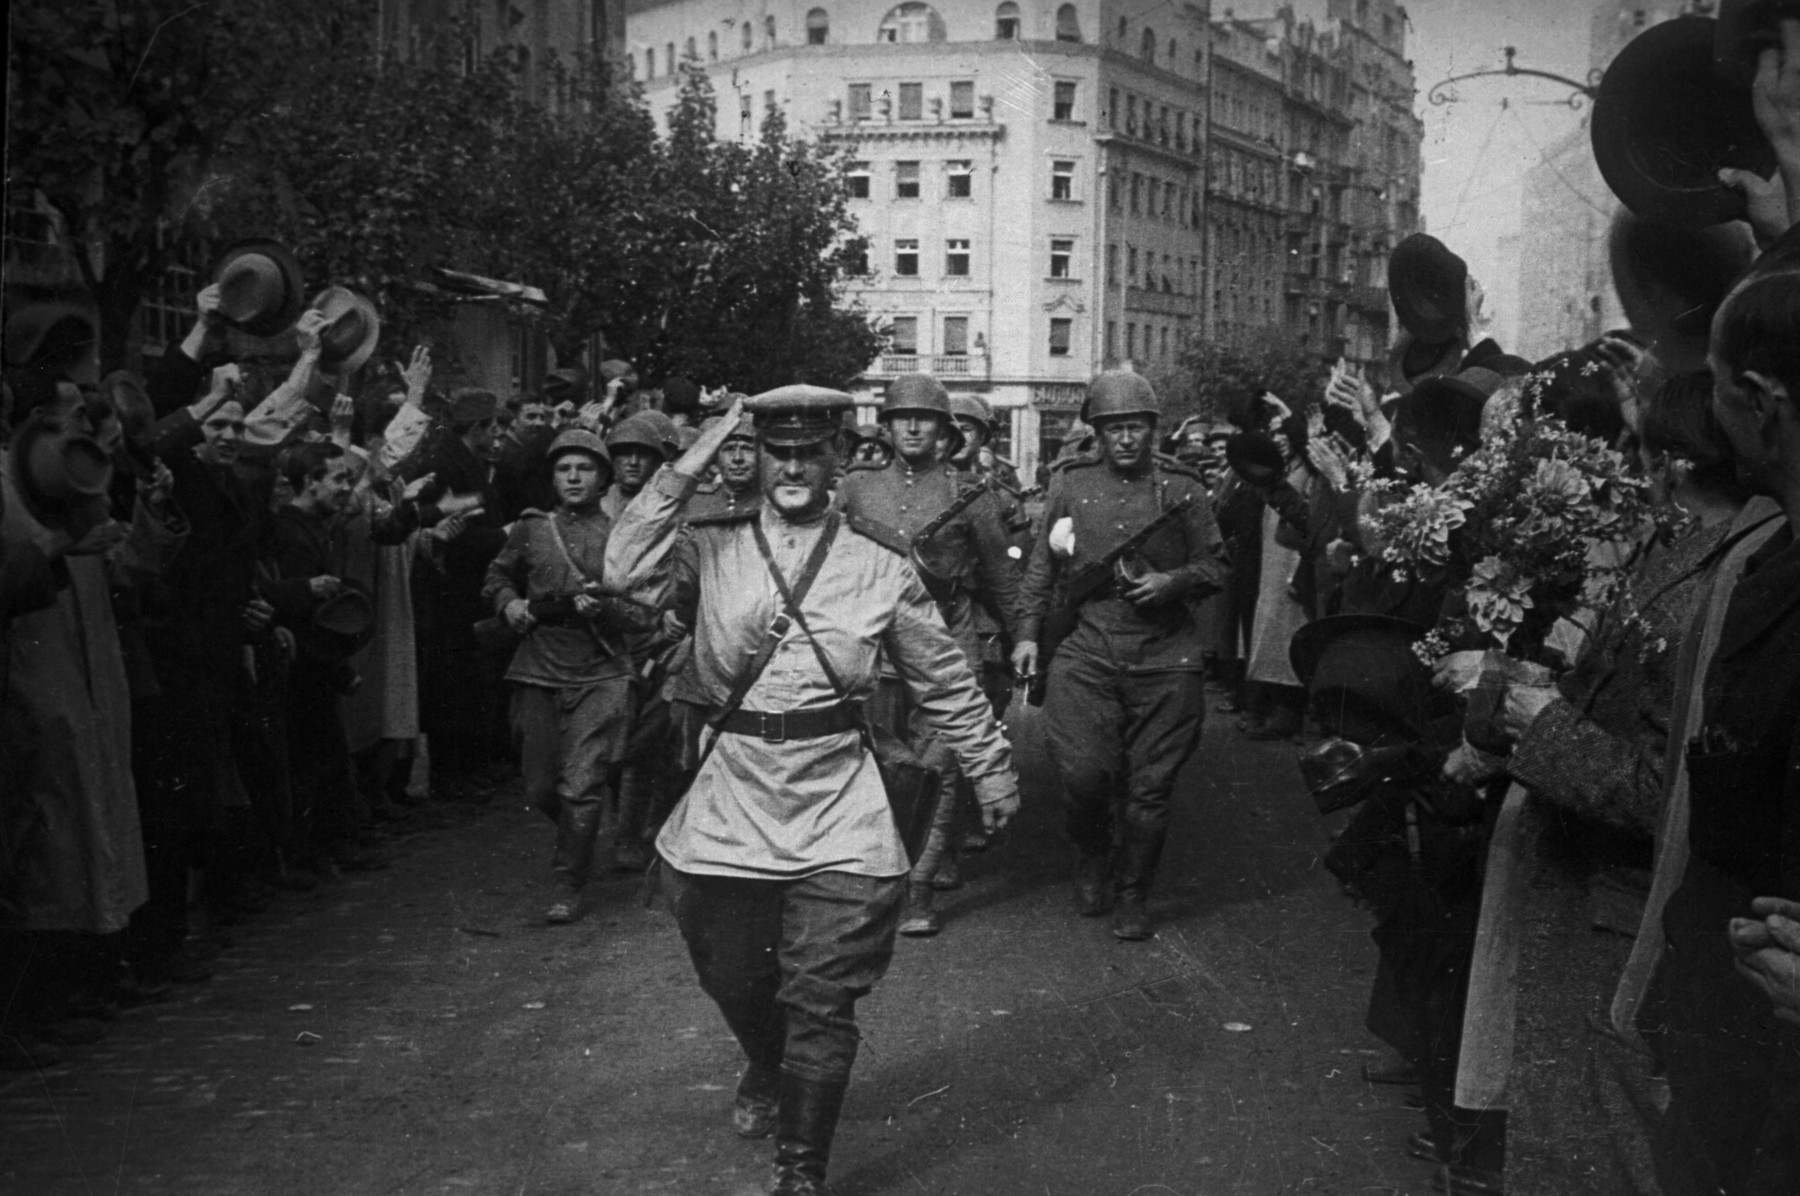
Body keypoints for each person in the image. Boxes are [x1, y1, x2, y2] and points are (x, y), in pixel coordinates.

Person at [605, 389, 1020, 1196]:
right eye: (775, 452)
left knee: (821, 996)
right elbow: (620, 567)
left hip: (838, 795)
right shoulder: (710, 547)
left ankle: (802, 1174)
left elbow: (943, 675)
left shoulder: (878, 560)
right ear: (756, 458)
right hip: (732, 794)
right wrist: (697, 451)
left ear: (839, 461)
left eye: (809, 453)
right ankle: (767, 1060)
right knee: (732, 976)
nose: (792, 467)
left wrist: (990, 765)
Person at [1013, 371, 1225, 940]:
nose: (1125, 440)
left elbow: (1217, 565)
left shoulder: (1183, 489)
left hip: (1166, 655)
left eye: (1135, 428)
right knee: (1084, 775)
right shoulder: (1070, 485)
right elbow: (1039, 570)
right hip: (1089, 648)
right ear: (1098, 435)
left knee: (1150, 789)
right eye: (1113, 430)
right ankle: (1092, 854)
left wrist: (1174, 581)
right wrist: (1029, 635)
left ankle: (1133, 892)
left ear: (1152, 430)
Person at [838, 374, 1023, 936]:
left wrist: (1025, 638)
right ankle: (875, 874)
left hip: (949, 641)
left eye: (925, 418)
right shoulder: (854, 489)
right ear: (887, 427)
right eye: (901, 418)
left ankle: (919, 887)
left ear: (945, 430)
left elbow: (1001, 576)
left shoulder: (970, 494)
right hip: (869, 644)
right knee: (870, 764)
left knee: (941, 768)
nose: (913, 426)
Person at [483, 429, 643, 923]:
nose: (573, 477)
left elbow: (642, 613)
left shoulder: (624, 536)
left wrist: (604, 611)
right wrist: (508, 605)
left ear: (603, 477)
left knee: (580, 785)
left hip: (601, 672)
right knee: (538, 789)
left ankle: (568, 880)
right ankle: (582, 832)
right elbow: (498, 575)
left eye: (585, 468)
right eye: (563, 469)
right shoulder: (532, 528)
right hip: (537, 670)